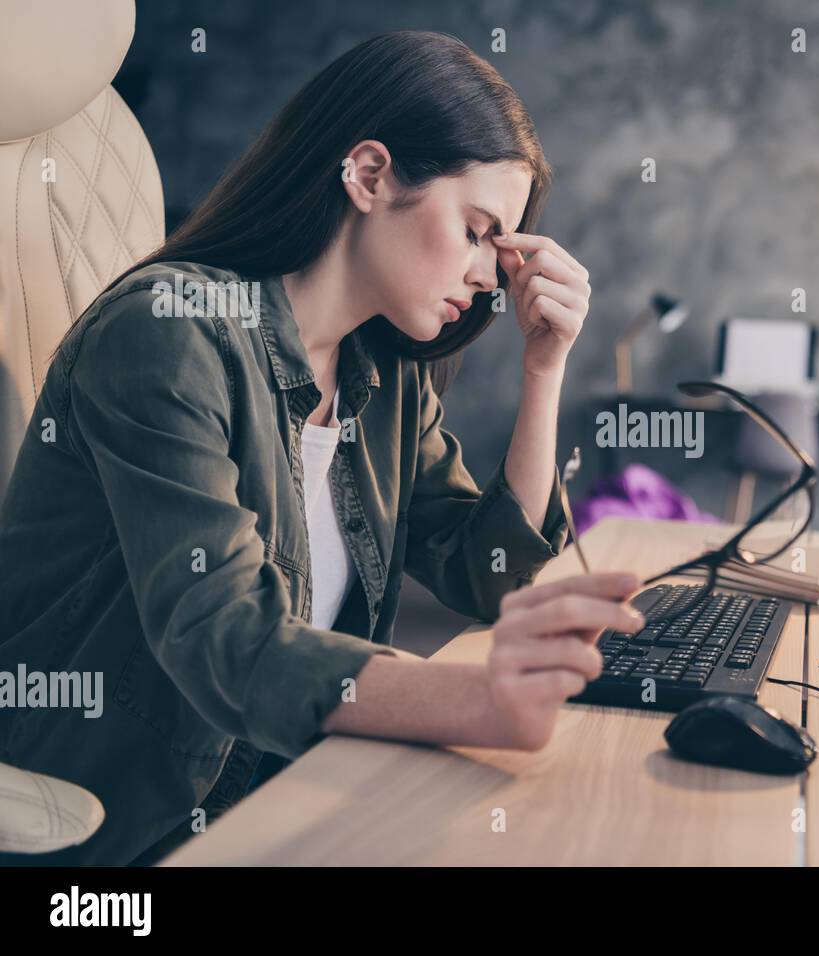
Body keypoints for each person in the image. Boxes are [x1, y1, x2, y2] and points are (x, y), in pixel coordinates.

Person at [0, 30, 642, 866]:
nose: (492, 275)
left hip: (283, 795)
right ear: (370, 175)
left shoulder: (383, 372)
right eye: (479, 230)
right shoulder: (170, 334)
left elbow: (492, 580)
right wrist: (473, 701)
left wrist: (544, 370)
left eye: (503, 244)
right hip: (125, 836)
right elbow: (224, 635)